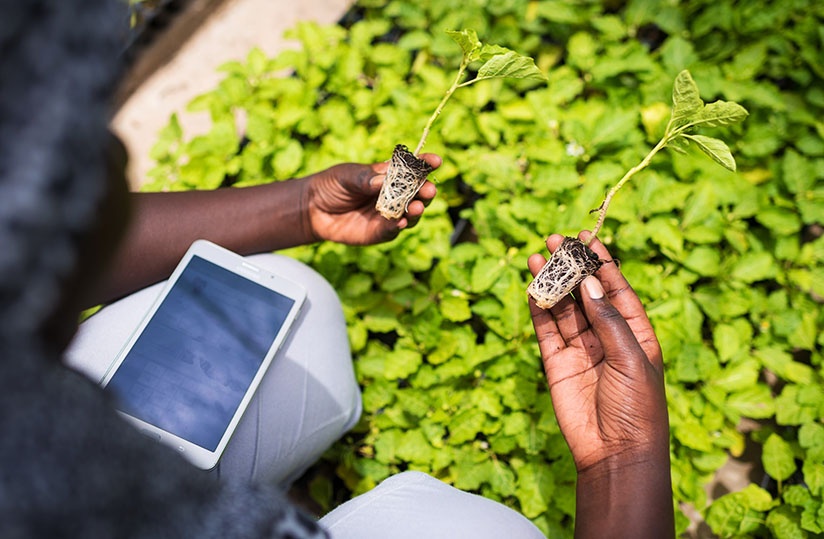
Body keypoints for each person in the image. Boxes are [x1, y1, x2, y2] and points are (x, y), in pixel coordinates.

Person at [0, 1, 673, 537]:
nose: (120, 161)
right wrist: (624, 457)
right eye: (85, 148)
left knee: (296, 298)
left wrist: (300, 208)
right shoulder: (77, 494)